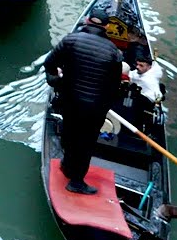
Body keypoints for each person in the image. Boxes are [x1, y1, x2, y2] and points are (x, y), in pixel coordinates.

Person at [44, 16, 124, 195]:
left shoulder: (70, 40)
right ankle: (77, 181)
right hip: (94, 107)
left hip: (70, 101)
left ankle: (66, 166)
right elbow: (114, 86)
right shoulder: (114, 51)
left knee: (71, 134)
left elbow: (49, 64)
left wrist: (55, 81)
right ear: (107, 26)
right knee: (85, 143)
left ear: (87, 21)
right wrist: (105, 106)